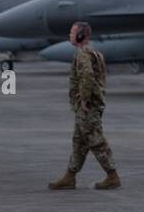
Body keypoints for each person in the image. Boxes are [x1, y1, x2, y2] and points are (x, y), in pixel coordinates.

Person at [49, 22, 120, 190]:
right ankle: (70, 176)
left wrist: (84, 99)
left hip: (88, 105)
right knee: (79, 142)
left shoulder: (82, 54)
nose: (70, 35)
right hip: (92, 103)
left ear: (81, 35)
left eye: (73, 32)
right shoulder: (93, 52)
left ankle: (112, 175)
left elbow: (87, 76)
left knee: (95, 140)